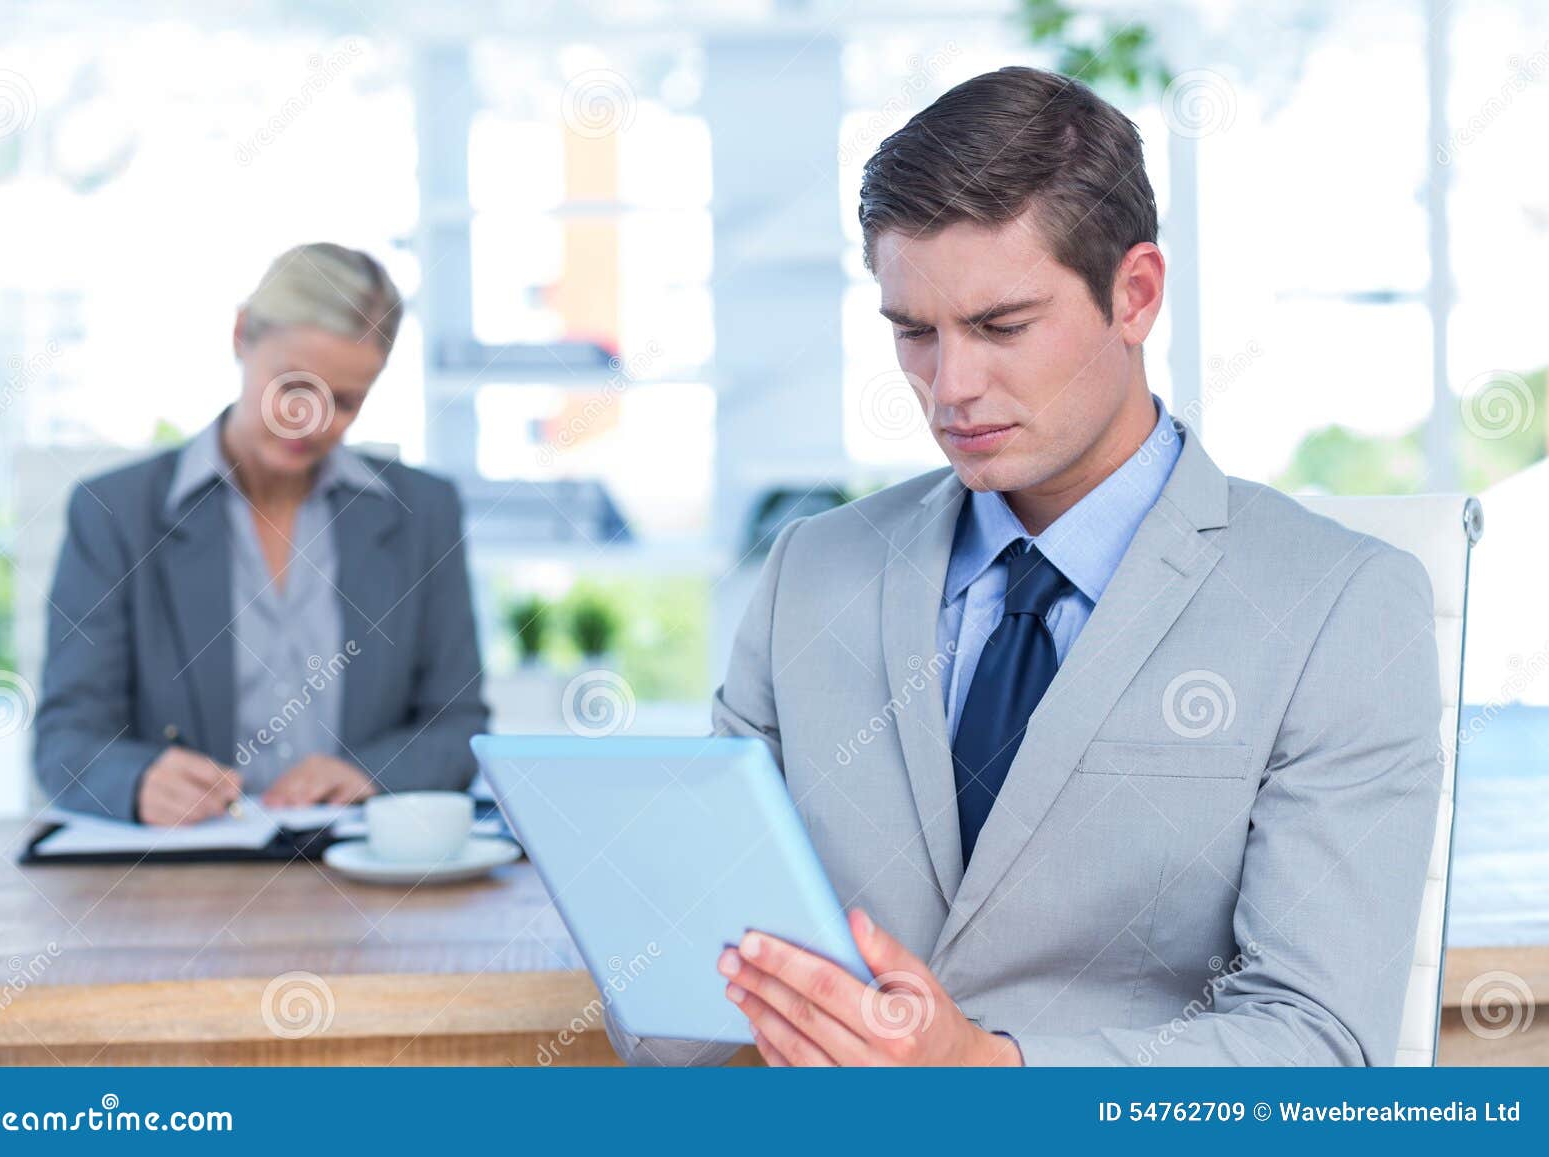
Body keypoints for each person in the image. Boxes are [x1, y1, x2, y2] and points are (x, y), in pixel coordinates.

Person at [608, 67, 1442, 1066]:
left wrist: (984, 1073)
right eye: (913, 332)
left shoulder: (1338, 607)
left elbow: (1318, 1042)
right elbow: (675, 1003)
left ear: (1135, 294)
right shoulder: (810, 575)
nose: (949, 386)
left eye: (1001, 326)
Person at [35, 243, 488, 825]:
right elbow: (66, 742)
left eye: (345, 401)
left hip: (361, 878)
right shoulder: (114, 513)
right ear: (242, 335)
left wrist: (373, 772)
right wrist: (135, 781)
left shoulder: (424, 513)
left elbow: (458, 725)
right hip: (183, 886)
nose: (310, 420)